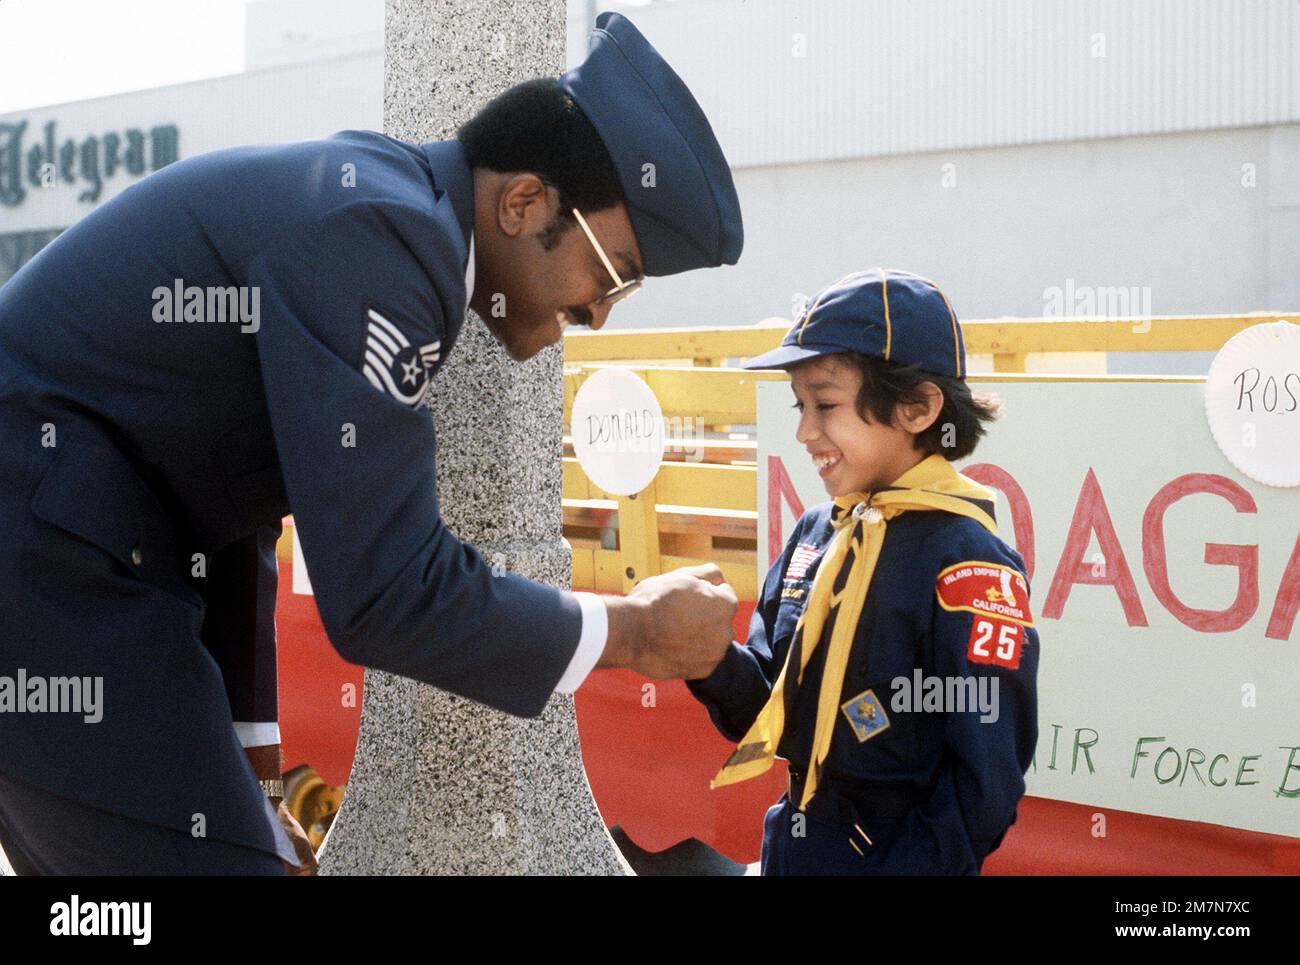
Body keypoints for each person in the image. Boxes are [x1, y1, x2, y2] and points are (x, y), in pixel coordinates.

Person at [0, 13, 741, 874]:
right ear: (524, 202)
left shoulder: (385, 211)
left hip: (64, 549)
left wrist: (252, 749)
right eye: (612, 274)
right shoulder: (385, 242)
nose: (598, 312)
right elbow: (387, 590)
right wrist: (636, 633)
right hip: (50, 566)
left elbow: (224, 495)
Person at [687, 269, 1040, 875]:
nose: (803, 431)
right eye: (801, 406)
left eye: (826, 405)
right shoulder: (817, 534)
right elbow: (768, 714)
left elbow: (985, 785)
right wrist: (705, 655)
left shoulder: (968, 563)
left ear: (919, 407)